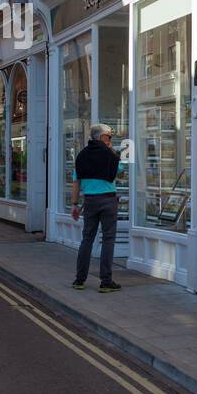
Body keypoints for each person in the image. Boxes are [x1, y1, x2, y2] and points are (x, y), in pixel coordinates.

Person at [70, 123, 122, 293]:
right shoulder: (110, 155)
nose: (111, 139)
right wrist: (112, 150)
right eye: (109, 136)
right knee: (108, 239)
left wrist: (74, 205)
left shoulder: (81, 156)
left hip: (90, 202)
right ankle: (106, 281)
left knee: (87, 239)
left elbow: (76, 183)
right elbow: (119, 171)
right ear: (101, 137)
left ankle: (79, 279)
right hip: (108, 201)